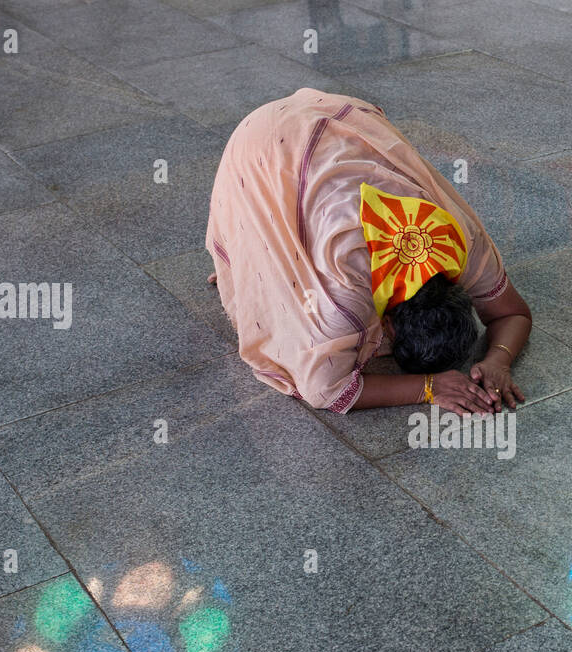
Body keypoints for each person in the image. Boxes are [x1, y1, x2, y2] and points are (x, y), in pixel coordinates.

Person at [205, 88, 531, 416]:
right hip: (263, 143)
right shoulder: (346, 298)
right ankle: (249, 269)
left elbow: (513, 313)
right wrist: (427, 387)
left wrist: (498, 360)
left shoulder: (461, 245)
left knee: (297, 240)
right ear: (387, 326)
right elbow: (324, 389)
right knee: (276, 257)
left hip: (335, 117)